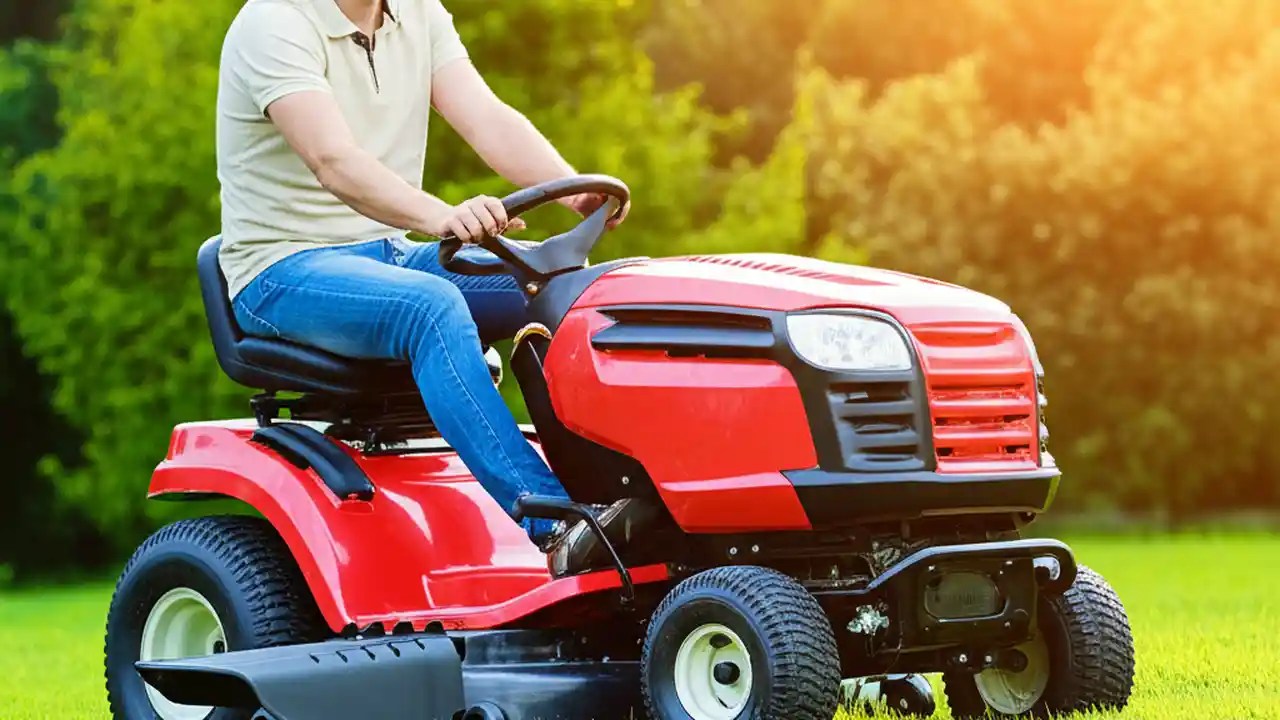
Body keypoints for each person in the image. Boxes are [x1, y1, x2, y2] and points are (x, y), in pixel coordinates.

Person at [215, 0, 630, 554]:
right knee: (431, 307)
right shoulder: (274, 22)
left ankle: (631, 490)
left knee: (566, 284)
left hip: (387, 252)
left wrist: (571, 184)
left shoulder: (418, 13)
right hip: (281, 269)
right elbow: (332, 160)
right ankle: (555, 522)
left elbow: (487, 118)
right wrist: (441, 217)